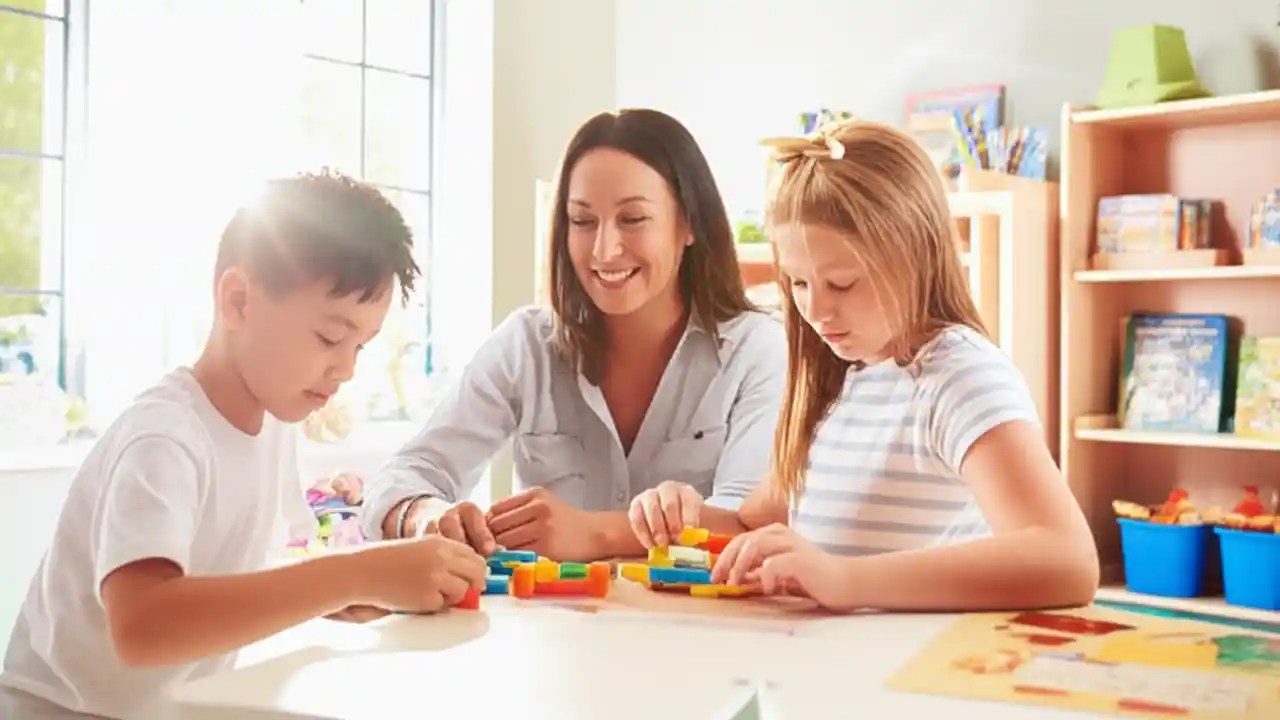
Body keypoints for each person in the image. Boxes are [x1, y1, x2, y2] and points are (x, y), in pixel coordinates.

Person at [0, 171, 487, 720]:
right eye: (329, 337)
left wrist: (343, 593)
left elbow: (237, 573)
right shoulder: (164, 438)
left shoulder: (273, 425)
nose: (347, 368)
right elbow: (142, 627)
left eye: (361, 345)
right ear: (237, 301)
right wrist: (353, 575)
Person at [628, 121, 1099, 612]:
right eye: (799, 284)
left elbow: (1065, 559)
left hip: (918, 672)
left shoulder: (959, 375)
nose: (816, 311)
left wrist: (844, 580)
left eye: (844, 283)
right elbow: (759, 527)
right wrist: (685, 518)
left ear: (915, 256)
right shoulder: (840, 378)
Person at [363, 109, 787, 561]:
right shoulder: (526, 345)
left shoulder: (758, 351)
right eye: (582, 222)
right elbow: (402, 479)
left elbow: (749, 522)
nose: (604, 250)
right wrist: (425, 514)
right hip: (547, 626)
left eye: (633, 219)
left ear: (688, 224)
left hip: (704, 627)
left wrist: (595, 533)